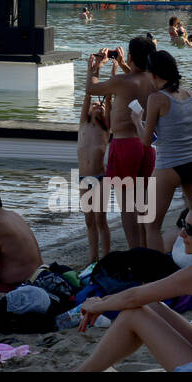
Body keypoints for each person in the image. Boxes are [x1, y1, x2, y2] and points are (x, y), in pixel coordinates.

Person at [75, 197, 192, 372]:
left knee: (134, 314)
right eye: (183, 225)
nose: (182, 234)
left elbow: (133, 297)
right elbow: (143, 295)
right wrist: (103, 301)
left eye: (190, 229)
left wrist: (97, 305)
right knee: (150, 305)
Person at [85, 36, 157, 249]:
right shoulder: (153, 81)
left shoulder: (120, 82)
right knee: (144, 203)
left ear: (132, 56)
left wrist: (95, 68)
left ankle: (135, 252)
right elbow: (135, 80)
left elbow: (92, 89)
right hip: (147, 145)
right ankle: (148, 250)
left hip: (124, 145)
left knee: (127, 204)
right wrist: (125, 65)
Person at [141, 50, 192, 253]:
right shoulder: (189, 95)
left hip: (169, 165)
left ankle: (156, 274)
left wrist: (136, 121)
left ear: (154, 74)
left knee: (151, 224)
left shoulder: (156, 98)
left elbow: (146, 141)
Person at [78, 56, 114, 264]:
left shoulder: (104, 129)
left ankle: (106, 256)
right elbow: (87, 93)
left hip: (100, 177)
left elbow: (108, 96)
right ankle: (93, 258)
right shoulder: (84, 125)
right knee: (89, 221)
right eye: (93, 105)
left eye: (98, 106)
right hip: (84, 178)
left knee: (101, 219)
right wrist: (90, 70)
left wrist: (113, 70)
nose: (95, 105)